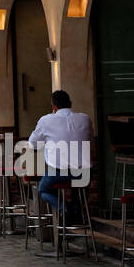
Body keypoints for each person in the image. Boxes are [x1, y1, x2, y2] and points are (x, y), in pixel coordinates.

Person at [28, 89, 94, 223]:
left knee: (43, 189)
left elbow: (32, 144)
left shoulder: (46, 120)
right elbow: (90, 140)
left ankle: (64, 208)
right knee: (81, 188)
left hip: (58, 172)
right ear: (71, 103)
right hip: (84, 173)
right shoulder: (85, 118)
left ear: (54, 106)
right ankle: (77, 211)